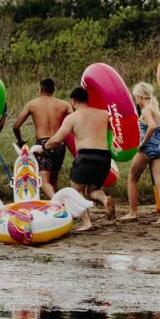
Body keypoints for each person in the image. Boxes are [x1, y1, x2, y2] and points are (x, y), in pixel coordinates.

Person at [41, 87, 112, 232]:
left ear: (73, 101)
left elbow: (57, 140)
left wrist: (44, 147)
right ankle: (105, 200)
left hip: (86, 156)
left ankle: (87, 223)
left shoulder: (73, 117)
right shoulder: (104, 114)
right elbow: (114, 130)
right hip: (104, 157)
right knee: (93, 190)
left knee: (76, 191)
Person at [11, 78, 71, 199]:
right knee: (53, 182)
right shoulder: (64, 104)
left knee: (43, 182)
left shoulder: (32, 104)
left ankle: (59, 204)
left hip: (43, 144)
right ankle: (57, 209)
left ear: (40, 89)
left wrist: (20, 140)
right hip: (59, 144)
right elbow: (76, 118)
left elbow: (16, 126)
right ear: (54, 90)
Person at [122, 81, 160, 224]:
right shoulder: (158, 110)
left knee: (132, 178)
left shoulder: (145, 110)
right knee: (159, 182)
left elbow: (151, 127)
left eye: (135, 97)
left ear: (139, 96)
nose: (135, 100)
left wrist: (141, 144)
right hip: (159, 147)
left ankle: (133, 212)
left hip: (147, 148)